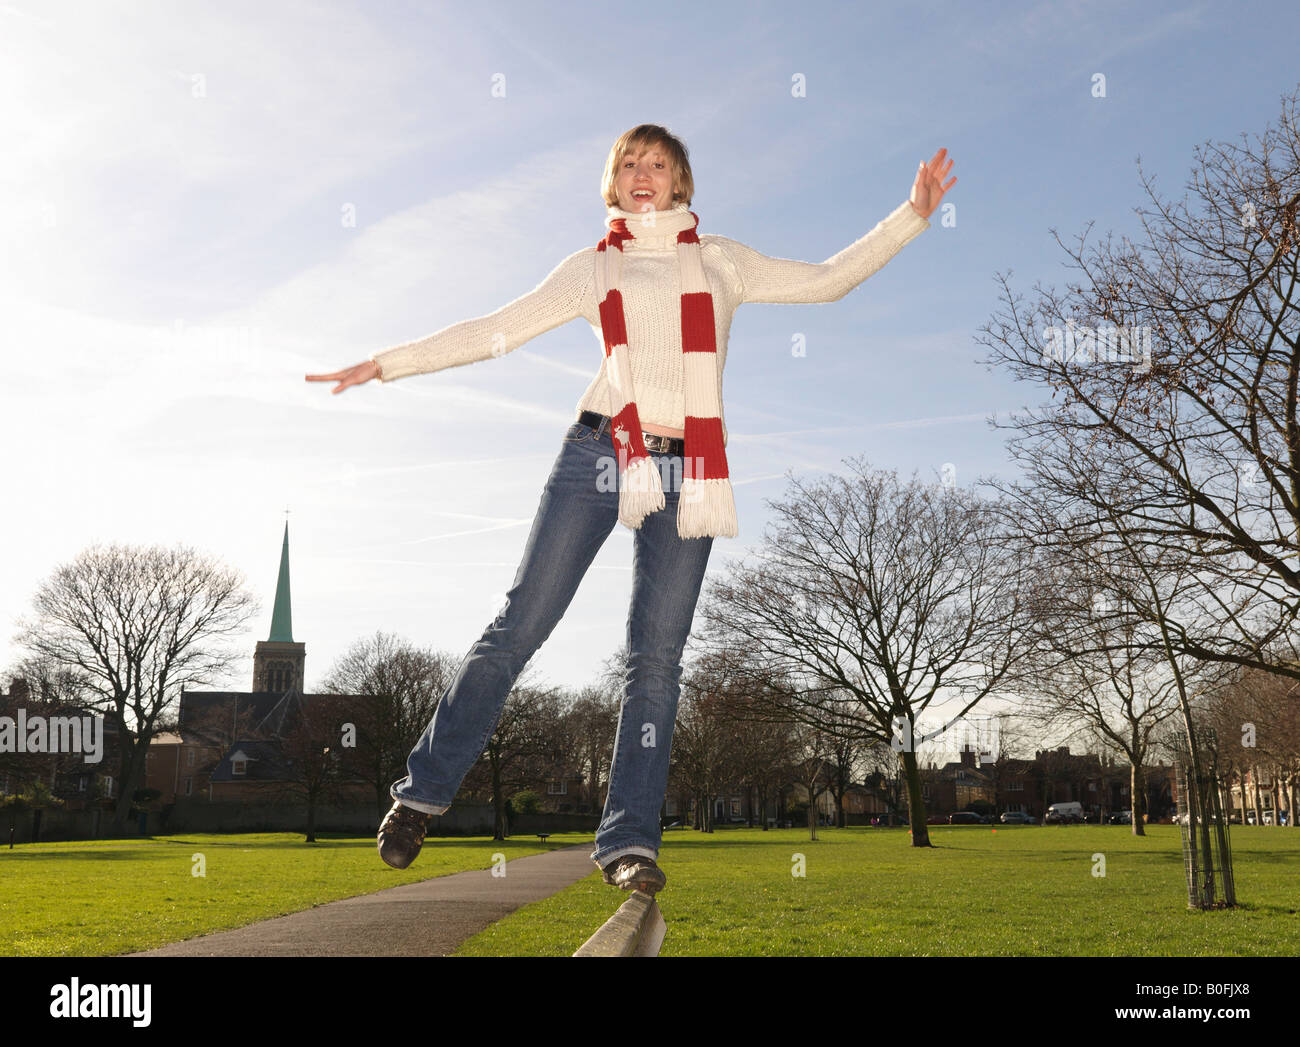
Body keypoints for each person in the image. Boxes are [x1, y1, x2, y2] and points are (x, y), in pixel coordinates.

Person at [306, 124, 955, 894]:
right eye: (628, 164)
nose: (642, 173)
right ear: (612, 183)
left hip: (690, 470)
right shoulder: (592, 269)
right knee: (522, 623)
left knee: (656, 660)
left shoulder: (724, 262)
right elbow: (496, 330)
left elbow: (828, 278)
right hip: (598, 454)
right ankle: (419, 796)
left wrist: (911, 215)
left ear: (681, 181)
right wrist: (387, 364)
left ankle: (628, 843)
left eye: (658, 163)